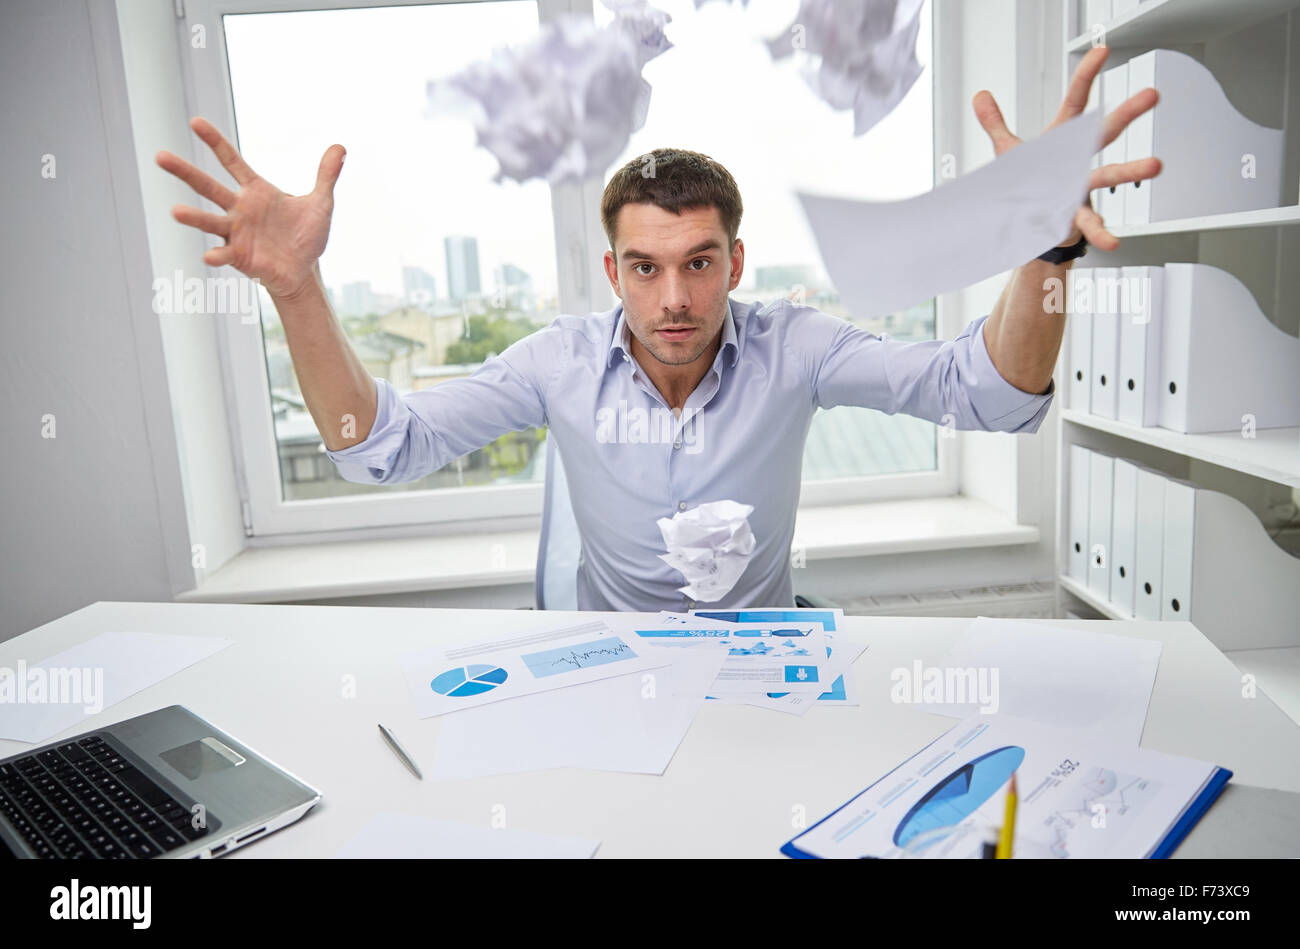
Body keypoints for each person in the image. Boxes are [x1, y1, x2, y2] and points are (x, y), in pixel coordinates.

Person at [155, 45, 1159, 613]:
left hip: (768, 663)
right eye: (645, 268)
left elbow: (989, 393)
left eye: (696, 264)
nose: (672, 300)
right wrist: (293, 287)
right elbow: (375, 451)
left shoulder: (795, 347)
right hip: (610, 668)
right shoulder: (555, 364)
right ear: (613, 273)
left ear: (734, 262)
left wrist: (1044, 253)